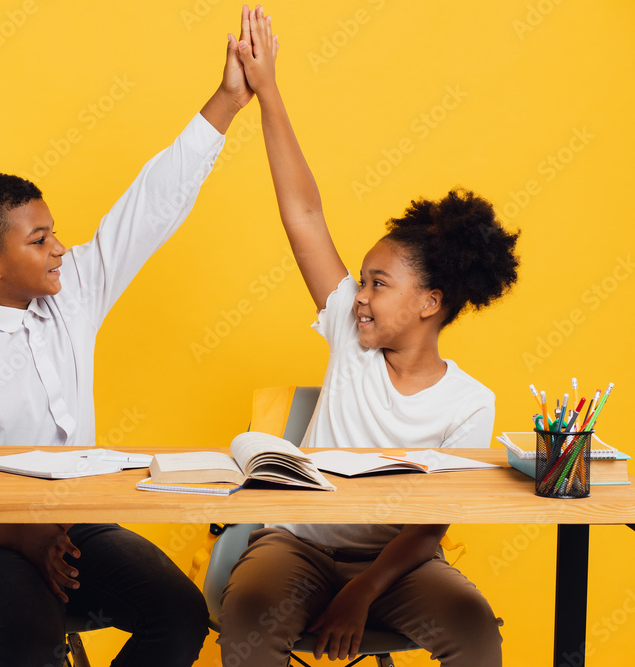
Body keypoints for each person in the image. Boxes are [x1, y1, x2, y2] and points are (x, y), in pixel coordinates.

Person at [0, 13, 258, 667]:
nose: (61, 248)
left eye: (54, 232)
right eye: (40, 241)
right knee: (29, 636)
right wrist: (16, 535)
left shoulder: (74, 294)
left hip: (76, 521)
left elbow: (151, 205)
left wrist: (229, 100)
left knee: (178, 615)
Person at [217, 8, 519, 667]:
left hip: (397, 563)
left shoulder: (469, 402)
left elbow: (430, 527)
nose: (359, 295)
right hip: (296, 545)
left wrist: (363, 590)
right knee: (248, 622)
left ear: (429, 304)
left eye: (378, 284)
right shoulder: (350, 337)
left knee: (475, 634)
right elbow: (303, 212)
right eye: (361, 280)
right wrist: (268, 91)